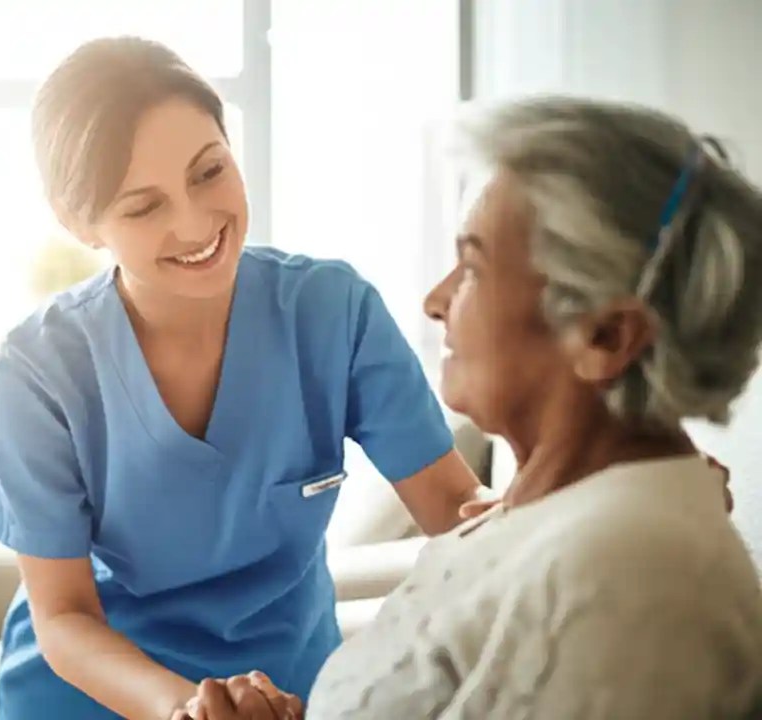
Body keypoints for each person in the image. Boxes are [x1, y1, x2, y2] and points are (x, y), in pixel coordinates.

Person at [0, 37, 483, 719]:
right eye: (144, 207)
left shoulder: (332, 313)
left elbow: (453, 507)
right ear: (80, 222)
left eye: (209, 171)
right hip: (96, 696)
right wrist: (187, 710)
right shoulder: (40, 369)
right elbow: (64, 615)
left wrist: (556, 526)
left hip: (292, 693)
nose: (195, 223)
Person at [307, 96, 762, 718]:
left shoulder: (628, 574)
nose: (435, 300)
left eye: (472, 267)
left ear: (606, 338)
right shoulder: (554, 522)